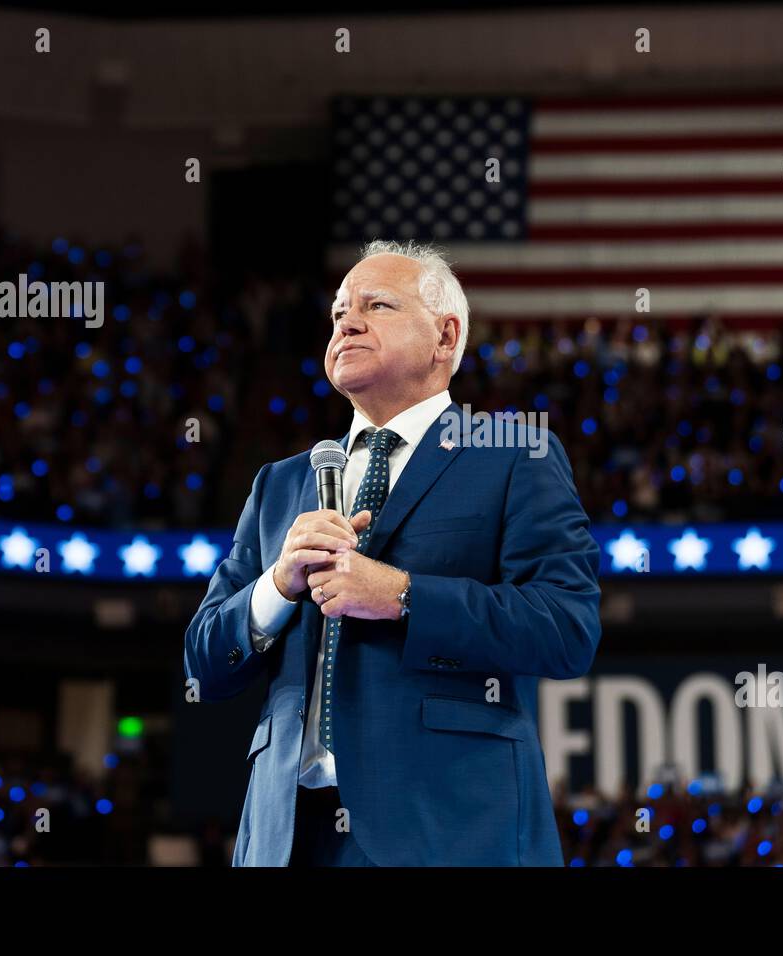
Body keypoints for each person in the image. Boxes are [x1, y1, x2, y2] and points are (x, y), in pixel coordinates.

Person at [183, 239, 601, 866]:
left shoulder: (516, 452)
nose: (346, 322)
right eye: (337, 313)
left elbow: (567, 627)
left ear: (445, 335)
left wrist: (403, 596)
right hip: (287, 836)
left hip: (449, 830)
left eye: (376, 306)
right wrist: (276, 586)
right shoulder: (280, 484)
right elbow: (205, 662)